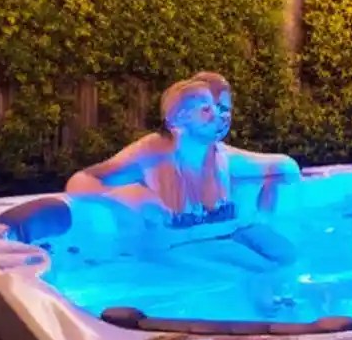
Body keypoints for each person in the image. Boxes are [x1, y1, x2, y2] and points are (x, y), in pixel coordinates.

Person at [65, 72, 298, 272]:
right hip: (166, 261)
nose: (221, 116)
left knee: (285, 261)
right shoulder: (151, 152)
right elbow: (79, 181)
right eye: (210, 108)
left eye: (223, 109)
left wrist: (265, 205)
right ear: (180, 118)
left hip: (216, 247)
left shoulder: (224, 156)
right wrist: (120, 195)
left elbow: (285, 168)